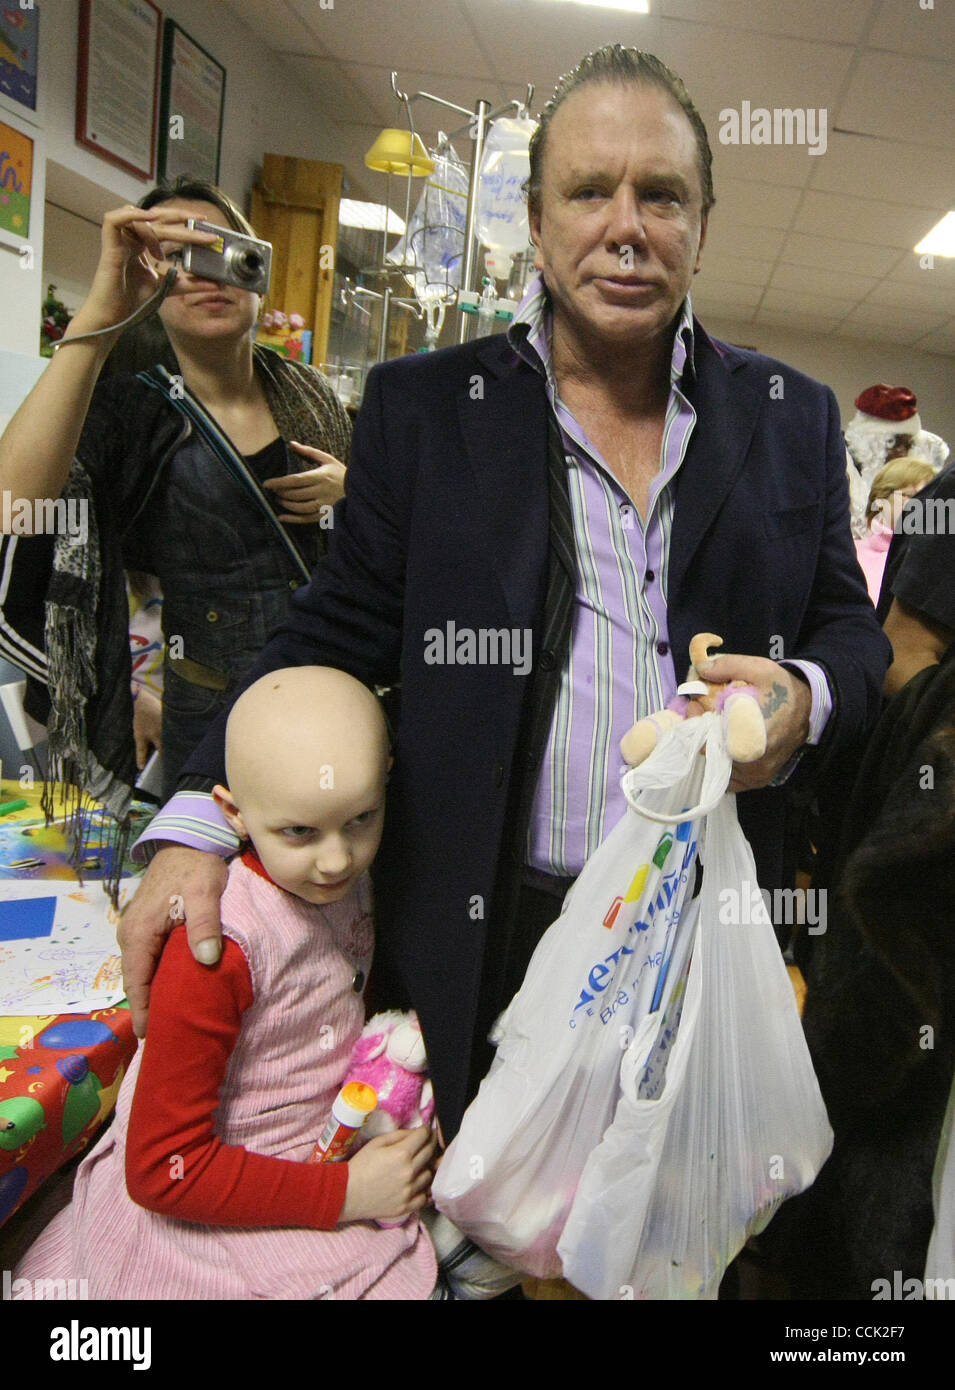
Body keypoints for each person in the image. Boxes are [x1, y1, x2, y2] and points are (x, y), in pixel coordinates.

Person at [119, 46, 890, 1145]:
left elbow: (847, 629)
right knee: (471, 1219)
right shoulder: (425, 411)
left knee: (667, 1231)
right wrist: (199, 819)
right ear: (535, 221)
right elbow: (330, 625)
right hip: (487, 920)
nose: (625, 225)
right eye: (589, 191)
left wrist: (804, 698)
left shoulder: (791, 416)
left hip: (696, 934)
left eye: (661, 195)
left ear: (702, 227)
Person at [14, 667, 440, 1300]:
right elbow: (162, 1170)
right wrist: (347, 1193)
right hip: (211, 1202)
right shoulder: (220, 950)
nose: (337, 860)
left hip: (320, 1143)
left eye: (360, 820)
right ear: (233, 812)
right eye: (299, 831)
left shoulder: (347, 879)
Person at [0, 178, 350, 843]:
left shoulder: (307, 393)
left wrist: (349, 495)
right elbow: (15, 508)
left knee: (323, 895)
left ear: (256, 267)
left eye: (221, 249)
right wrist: (103, 313)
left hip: (322, 702)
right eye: (173, 253)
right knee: (203, 902)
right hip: (207, 721)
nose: (201, 273)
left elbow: (381, 551)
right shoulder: (131, 408)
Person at [853, 456, 937, 603]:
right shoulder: (850, 554)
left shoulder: (937, 562)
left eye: (930, 498)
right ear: (881, 499)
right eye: (911, 495)